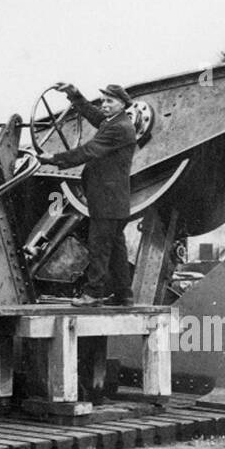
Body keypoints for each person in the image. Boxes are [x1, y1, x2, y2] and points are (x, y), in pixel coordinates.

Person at [37, 83, 137, 306]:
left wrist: (54, 159)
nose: (105, 105)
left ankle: (92, 294)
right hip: (115, 202)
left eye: (110, 101)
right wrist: (74, 94)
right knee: (117, 250)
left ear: (122, 104)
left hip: (107, 201)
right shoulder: (115, 122)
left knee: (99, 248)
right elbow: (94, 115)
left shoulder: (119, 128)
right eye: (104, 100)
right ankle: (124, 296)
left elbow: (88, 151)